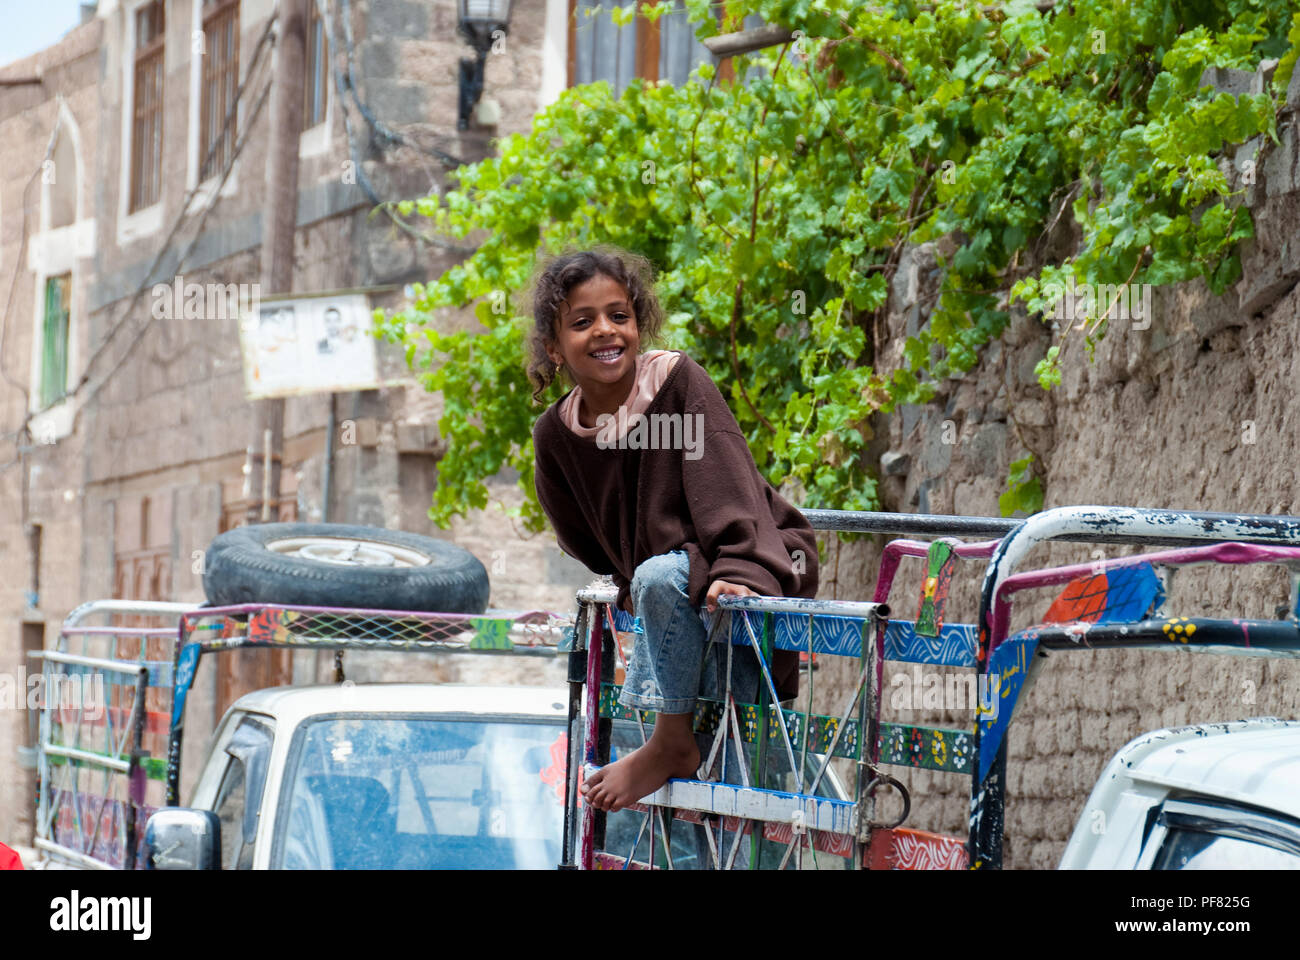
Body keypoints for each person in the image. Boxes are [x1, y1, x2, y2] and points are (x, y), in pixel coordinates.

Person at [527, 246, 819, 815]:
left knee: (660, 577)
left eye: (619, 315)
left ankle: (670, 741)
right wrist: (636, 567)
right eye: (582, 322)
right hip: (668, 573)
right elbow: (583, 540)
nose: (606, 331)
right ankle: (687, 749)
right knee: (655, 578)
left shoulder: (676, 383)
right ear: (553, 347)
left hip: (748, 548)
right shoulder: (554, 436)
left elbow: (730, 486)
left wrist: (738, 569)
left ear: (639, 323)